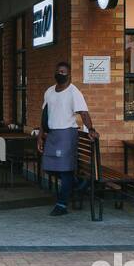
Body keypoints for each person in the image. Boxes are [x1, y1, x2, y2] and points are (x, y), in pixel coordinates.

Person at [36, 61, 93, 217]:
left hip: (67, 134)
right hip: (52, 134)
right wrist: (40, 137)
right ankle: (79, 184)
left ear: (69, 74)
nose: (59, 74)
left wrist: (91, 129)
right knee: (48, 167)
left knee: (66, 171)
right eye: (57, 71)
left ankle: (62, 204)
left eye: (63, 72)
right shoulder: (49, 92)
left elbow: (84, 113)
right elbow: (44, 116)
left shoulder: (74, 92)